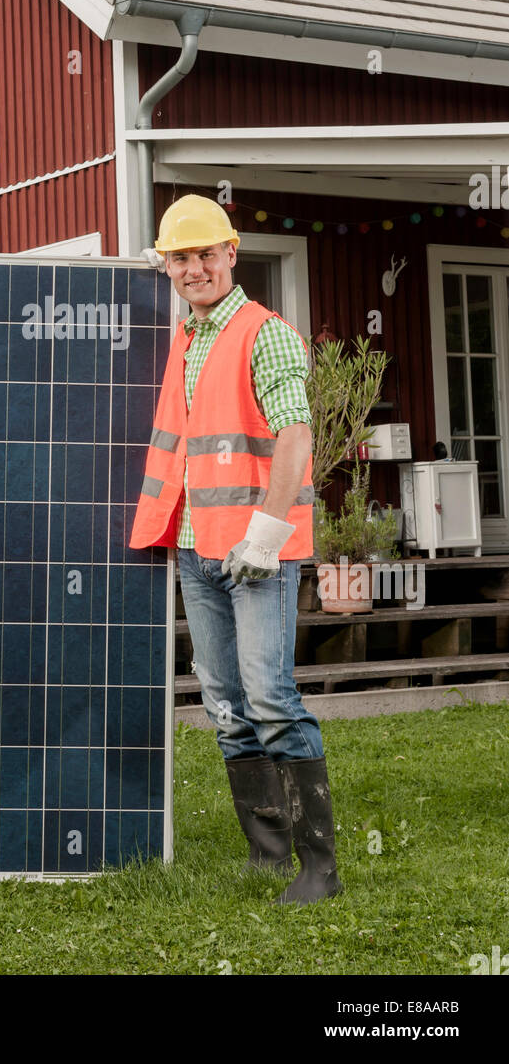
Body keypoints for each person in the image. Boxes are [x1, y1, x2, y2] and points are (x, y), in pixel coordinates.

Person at [131, 194, 342, 905]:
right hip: (197, 550)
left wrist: (265, 532)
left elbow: (294, 436)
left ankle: (319, 869)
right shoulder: (188, 339)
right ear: (167, 266)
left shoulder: (264, 333)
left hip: (255, 553)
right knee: (224, 703)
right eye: (179, 258)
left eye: (204, 254)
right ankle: (265, 852)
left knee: (270, 698)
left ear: (230, 254)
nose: (194, 268)